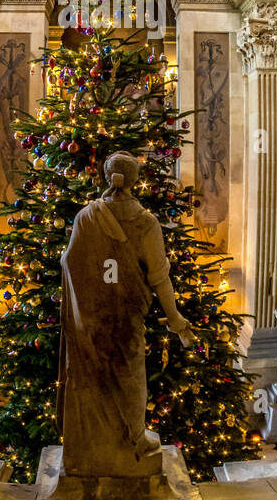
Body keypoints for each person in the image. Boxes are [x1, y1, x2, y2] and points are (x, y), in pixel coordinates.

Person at [58, 151, 196, 478]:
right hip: (126, 319)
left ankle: (94, 445)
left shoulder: (86, 217)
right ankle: (133, 440)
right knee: (131, 376)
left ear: (108, 177)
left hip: (91, 321)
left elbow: (70, 264)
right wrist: (176, 320)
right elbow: (160, 278)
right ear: (136, 180)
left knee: (94, 380)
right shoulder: (145, 223)